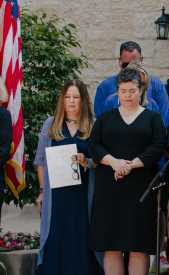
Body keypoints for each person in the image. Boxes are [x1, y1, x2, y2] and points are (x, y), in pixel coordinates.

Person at [89, 66, 167, 275]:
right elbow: (94, 145)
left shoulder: (153, 118)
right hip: (109, 189)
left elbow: (158, 146)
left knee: (138, 246)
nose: (128, 96)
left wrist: (131, 165)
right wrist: (114, 162)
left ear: (141, 90)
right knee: (112, 245)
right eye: (123, 91)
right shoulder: (106, 118)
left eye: (132, 91)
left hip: (140, 189)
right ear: (117, 92)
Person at [34, 80, 100, 275]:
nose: (71, 101)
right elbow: (40, 161)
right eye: (68, 97)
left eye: (76, 97)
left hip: (82, 194)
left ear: (83, 100)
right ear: (62, 100)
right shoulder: (51, 124)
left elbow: (99, 161)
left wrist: (86, 161)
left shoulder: (93, 125)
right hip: (56, 196)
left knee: (81, 238)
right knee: (55, 237)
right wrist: (42, 191)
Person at [94, 41, 169, 126]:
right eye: (126, 64)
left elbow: (163, 120)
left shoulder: (156, 86)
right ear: (119, 61)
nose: (130, 68)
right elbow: (100, 121)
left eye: (134, 64)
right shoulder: (105, 87)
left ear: (141, 60)